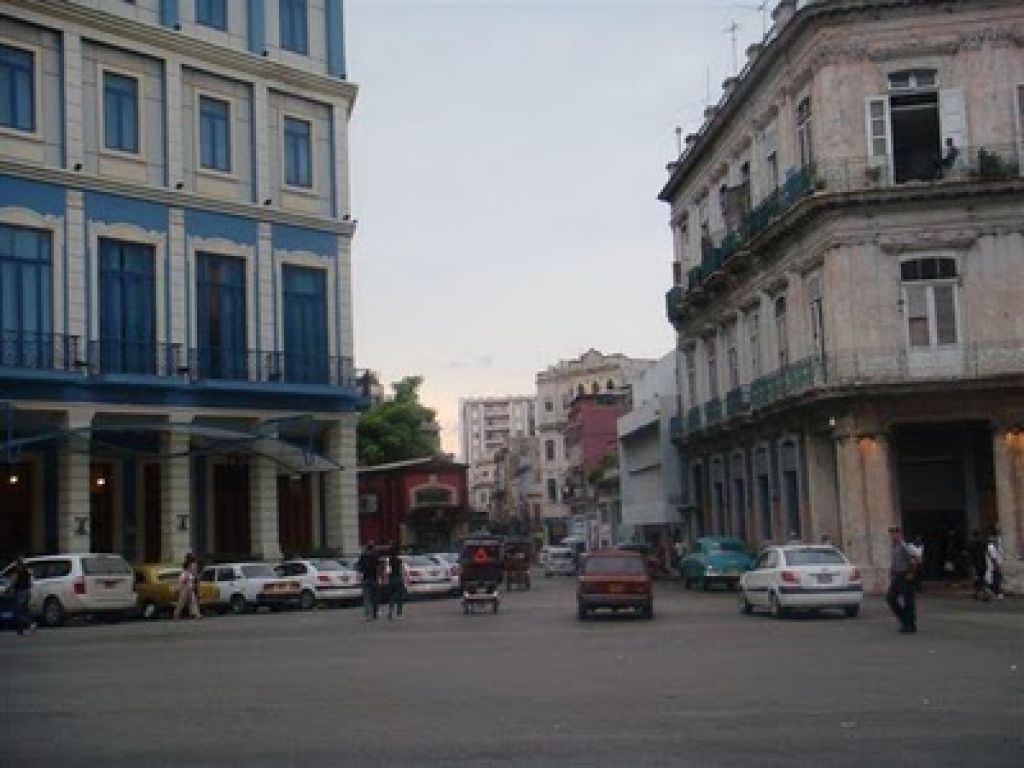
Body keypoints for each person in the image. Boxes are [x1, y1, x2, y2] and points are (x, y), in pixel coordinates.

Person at [885, 525, 919, 634]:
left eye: (894, 533)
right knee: (890, 598)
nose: (892, 535)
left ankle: (910, 625)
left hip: (905, 575)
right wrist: (892, 570)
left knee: (908, 601)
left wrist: (911, 573)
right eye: (891, 533)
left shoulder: (903, 545)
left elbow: (914, 558)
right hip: (897, 575)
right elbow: (896, 561)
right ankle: (903, 619)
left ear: (899, 534)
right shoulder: (894, 546)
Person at [356, 542, 380, 621]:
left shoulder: (363, 556)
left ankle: (368, 614)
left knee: (367, 598)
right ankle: (375, 613)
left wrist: (360, 575)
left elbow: (359, 567)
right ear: (372, 548)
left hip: (366, 578)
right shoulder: (375, 556)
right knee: (374, 597)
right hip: (374, 578)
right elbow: (378, 567)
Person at [11, 556, 35, 636]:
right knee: (25, 609)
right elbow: (31, 582)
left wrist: (9, 589)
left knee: (18, 611)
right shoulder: (28, 571)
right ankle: (28, 625)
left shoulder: (17, 572)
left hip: (20, 592)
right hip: (27, 591)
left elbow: (14, 582)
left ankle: (25, 626)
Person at [174, 553, 200, 620]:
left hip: (190, 585)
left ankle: (195, 614)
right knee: (182, 601)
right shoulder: (186, 568)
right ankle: (176, 614)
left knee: (193, 601)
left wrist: (195, 580)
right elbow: (183, 577)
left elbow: (194, 574)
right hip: (185, 586)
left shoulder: (192, 565)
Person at [983, 532, 1004, 601]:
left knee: (995, 579)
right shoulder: (991, 546)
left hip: (994, 566)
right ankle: (993, 593)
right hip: (992, 567)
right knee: (995, 580)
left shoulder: (997, 546)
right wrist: (997, 566)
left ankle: (994, 593)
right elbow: (993, 558)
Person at [967, 529, 987, 599]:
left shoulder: (971, 544)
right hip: (982, 562)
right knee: (981, 578)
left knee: (977, 578)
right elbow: (985, 551)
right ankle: (982, 593)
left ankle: (977, 593)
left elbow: (969, 553)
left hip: (975, 563)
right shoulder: (982, 543)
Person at [387, 546, 405, 620]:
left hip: (391, 579)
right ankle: (399, 613)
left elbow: (388, 571)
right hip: (398, 578)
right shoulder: (399, 560)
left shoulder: (389, 561)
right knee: (399, 597)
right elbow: (401, 570)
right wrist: (403, 578)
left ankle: (390, 611)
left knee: (391, 596)